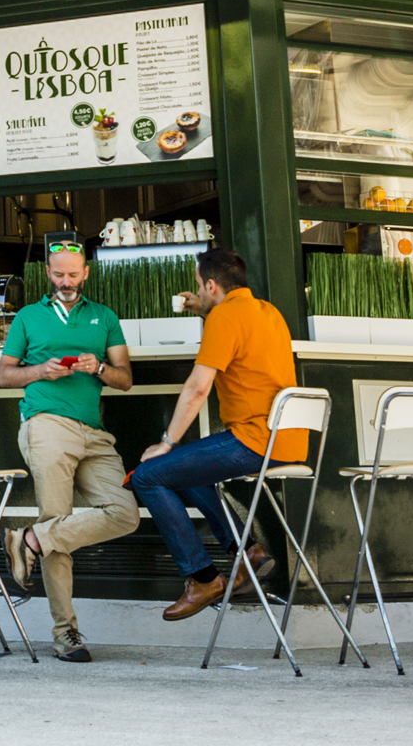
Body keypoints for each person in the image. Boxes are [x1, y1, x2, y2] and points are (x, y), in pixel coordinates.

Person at [0, 235, 140, 663]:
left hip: (94, 432)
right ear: (48, 274)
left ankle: (28, 540)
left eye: (73, 274)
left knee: (125, 513)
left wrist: (101, 369)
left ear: (86, 274)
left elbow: (126, 378)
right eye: (58, 274)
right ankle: (66, 634)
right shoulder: (27, 317)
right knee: (57, 520)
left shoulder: (105, 317)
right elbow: (3, 376)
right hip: (46, 423)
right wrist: (41, 371)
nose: (66, 281)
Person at [129, 248, 293, 621]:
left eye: (200, 288)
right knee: (179, 472)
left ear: (211, 284)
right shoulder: (269, 312)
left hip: (253, 440)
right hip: (287, 440)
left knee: (149, 475)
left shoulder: (225, 318)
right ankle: (247, 550)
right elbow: (234, 326)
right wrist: (203, 310)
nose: (199, 293)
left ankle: (202, 577)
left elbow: (197, 389)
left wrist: (166, 441)